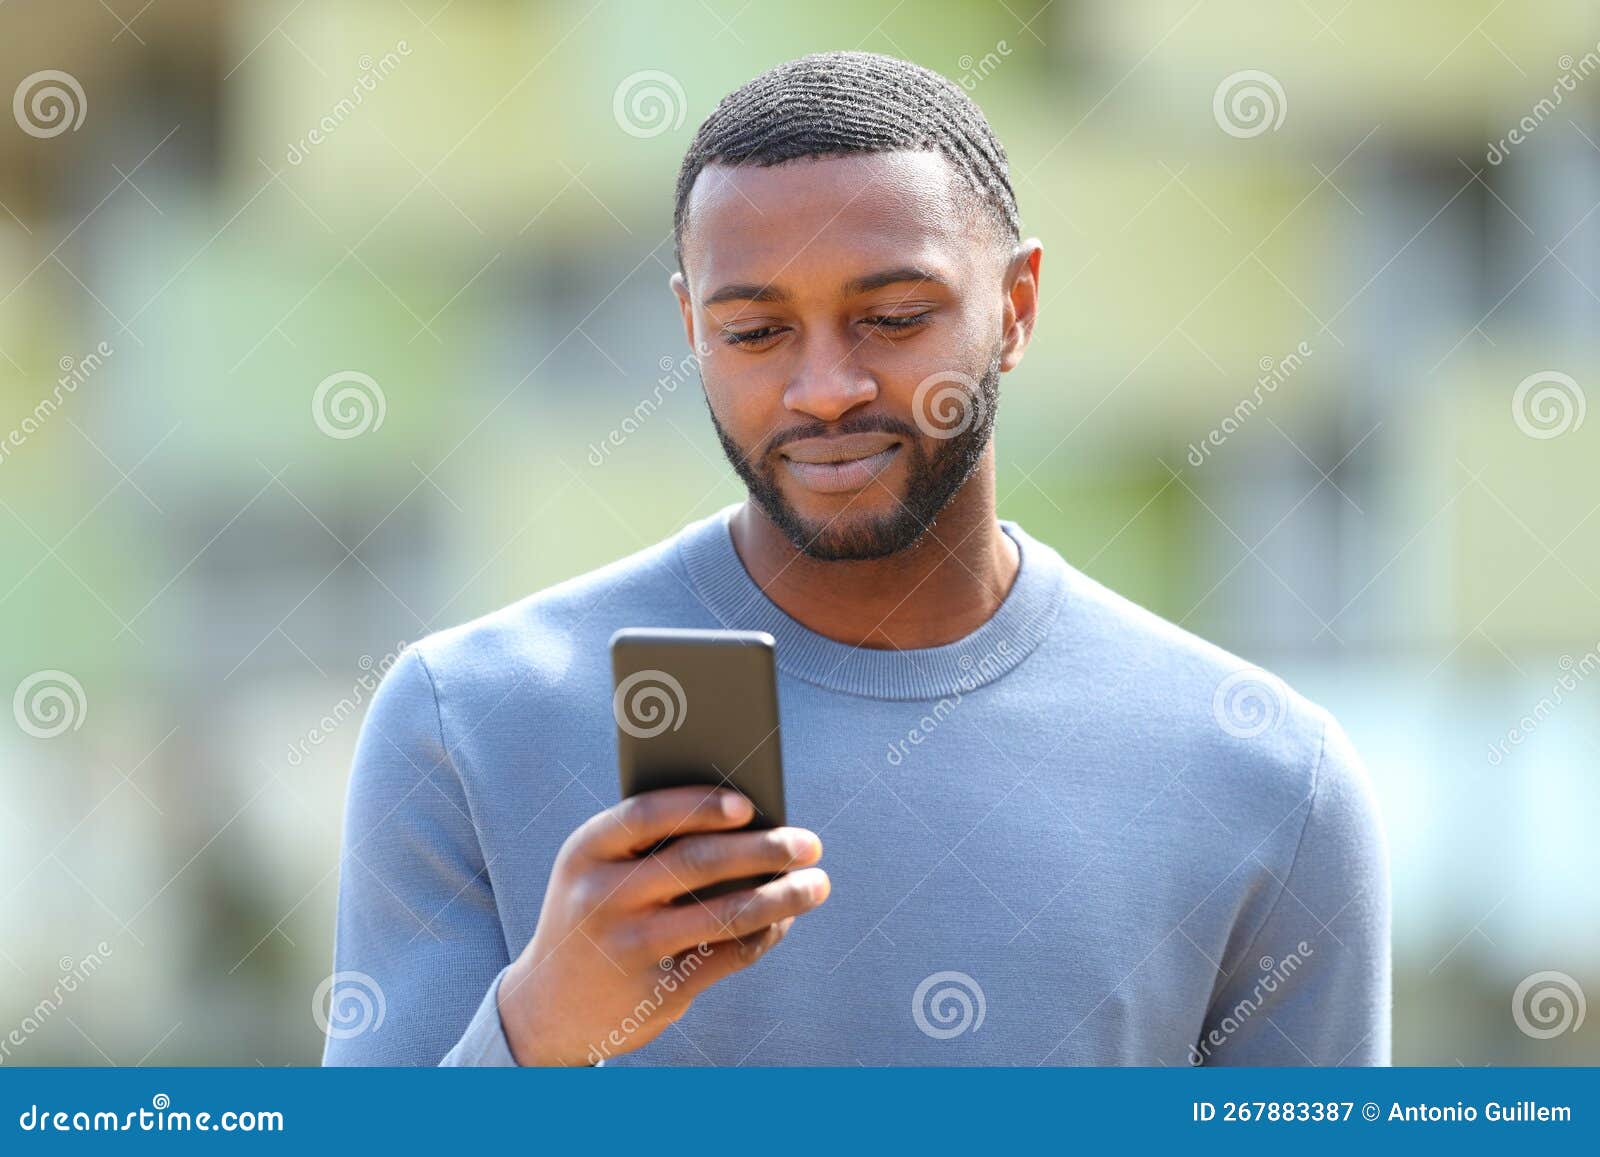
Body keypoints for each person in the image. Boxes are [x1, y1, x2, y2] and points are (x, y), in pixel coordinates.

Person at [323, 50, 1389, 1067]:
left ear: (1014, 308)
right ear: (691, 325)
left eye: (889, 317)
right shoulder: (466, 717)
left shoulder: (1263, 776)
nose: (824, 385)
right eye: (754, 332)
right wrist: (536, 1030)